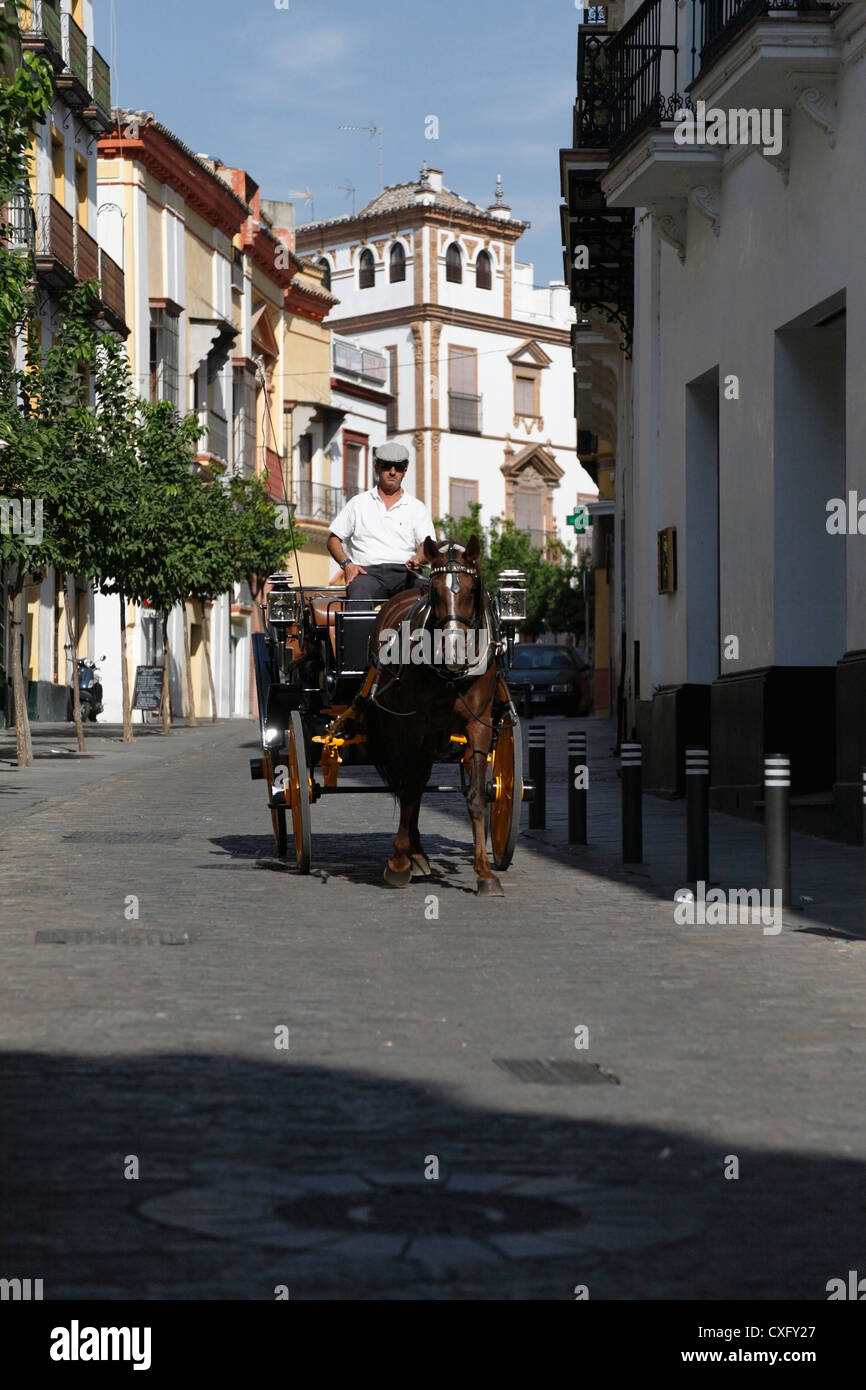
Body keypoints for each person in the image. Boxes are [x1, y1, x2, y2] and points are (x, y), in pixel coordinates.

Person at [327, 443, 436, 600]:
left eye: (398, 467)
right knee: (359, 595)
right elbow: (333, 540)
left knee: (430, 594)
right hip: (367, 574)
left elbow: (427, 546)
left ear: (405, 470)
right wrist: (348, 565)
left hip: (405, 573)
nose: (392, 472)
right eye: (386, 466)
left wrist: (419, 558)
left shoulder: (417, 507)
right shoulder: (358, 503)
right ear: (376, 468)